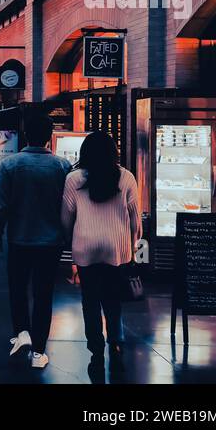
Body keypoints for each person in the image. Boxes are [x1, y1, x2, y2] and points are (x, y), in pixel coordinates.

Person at [0, 108, 71, 370]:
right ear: (50, 136)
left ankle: (22, 332)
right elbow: (68, 205)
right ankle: (38, 352)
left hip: (20, 238)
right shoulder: (62, 166)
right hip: (51, 242)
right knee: (44, 293)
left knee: (18, 288)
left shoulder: (10, 164)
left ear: (26, 135)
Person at [61, 131, 140, 383]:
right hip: (116, 248)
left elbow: (66, 217)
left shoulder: (74, 179)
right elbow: (135, 220)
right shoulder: (126, 177)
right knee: (113, 300)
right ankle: (116, 345)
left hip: (86, 247)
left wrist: (70, 239)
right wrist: (132, 243)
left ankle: (96, 348)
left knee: (90, 301)